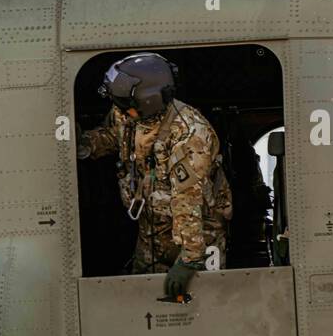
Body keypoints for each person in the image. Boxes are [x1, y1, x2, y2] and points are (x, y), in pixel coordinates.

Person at [78, 53, 232, 298]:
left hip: (197, 233)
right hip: (151, 230)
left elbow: (187, 199)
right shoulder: (127, 113)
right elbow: (111, 136)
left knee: (201, 302)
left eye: (124, 106)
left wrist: (190, 259)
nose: (119, 110)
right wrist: (84, 144)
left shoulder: (190, 134)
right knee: (145, 299)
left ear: (145, 101)